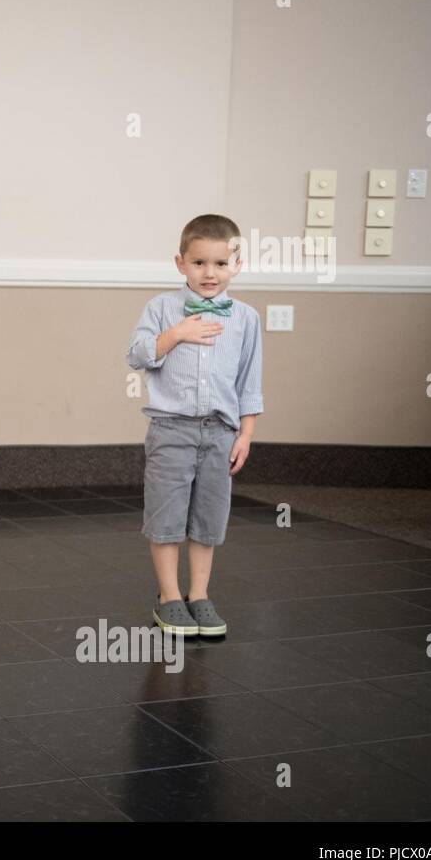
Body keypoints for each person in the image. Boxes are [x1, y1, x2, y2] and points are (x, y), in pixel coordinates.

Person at [126, 214, 264, 637]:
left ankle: (199, 594)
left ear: (236, 265)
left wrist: (246, 433)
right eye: (200, 262)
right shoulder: (162, 308)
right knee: (167, 513)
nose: (210, 273)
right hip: (171, 429)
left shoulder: (245, 318)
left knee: (208, 516)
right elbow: (137, 355)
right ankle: (169, 597)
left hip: (220, 432)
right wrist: (177, 334)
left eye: (220, 264)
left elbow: (249, 381)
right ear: (180, 262)